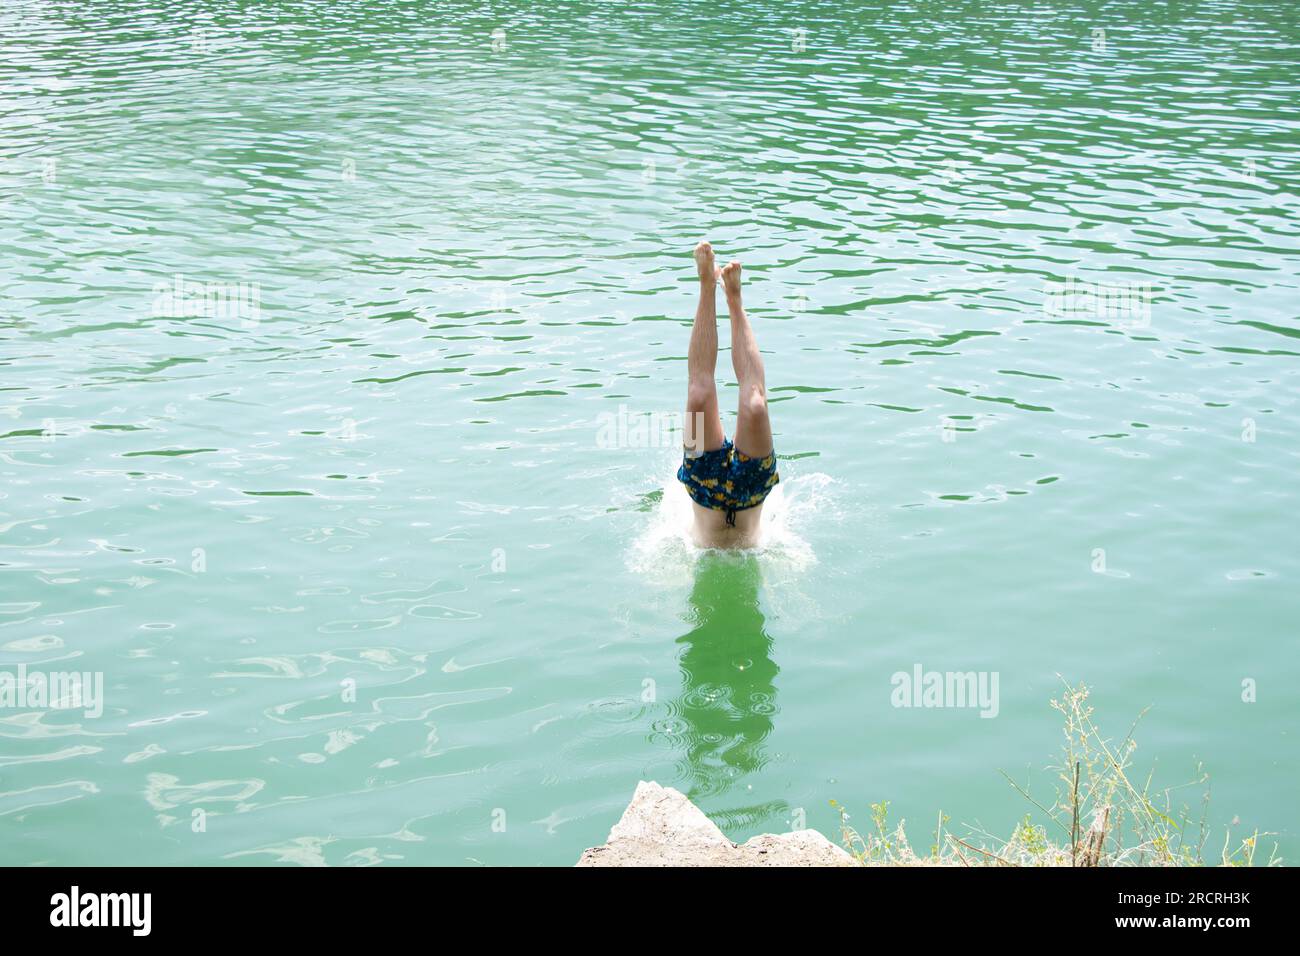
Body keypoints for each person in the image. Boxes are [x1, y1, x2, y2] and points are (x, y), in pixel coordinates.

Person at [678, 241, 778, 549]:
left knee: (756, 405)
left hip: (704, 480)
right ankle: (707, 283)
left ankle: (733, 298)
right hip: (741, 488)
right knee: (699, 393)